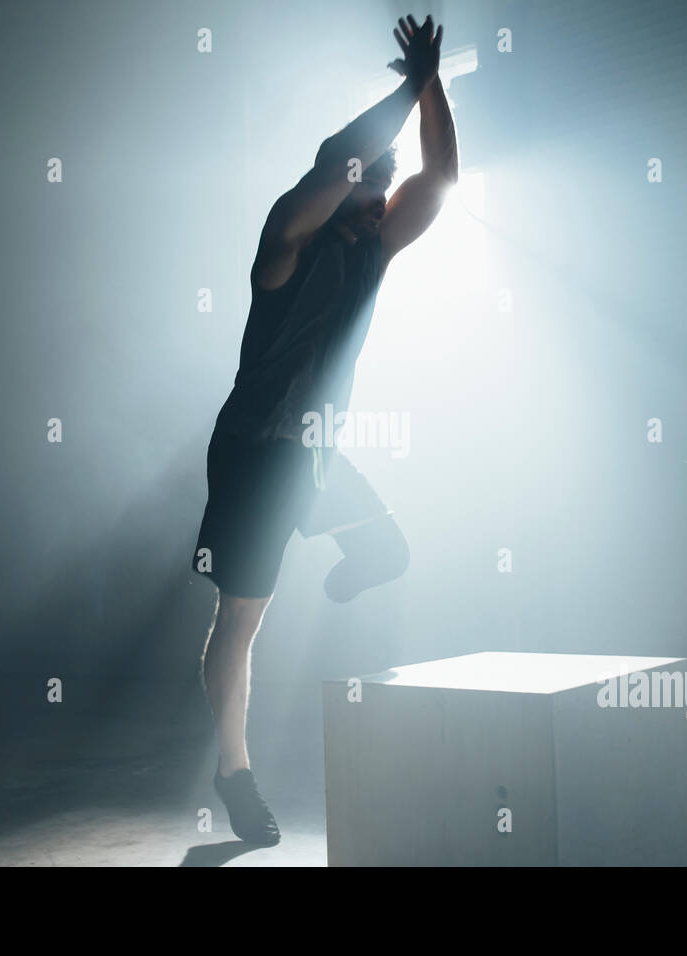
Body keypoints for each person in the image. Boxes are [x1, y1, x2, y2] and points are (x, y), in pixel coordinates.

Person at [191, 15, 458, 845]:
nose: (377, 188)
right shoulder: (286, 238)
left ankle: (334, 557)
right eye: (364, 175)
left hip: (311, 453)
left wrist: (433, 84)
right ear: (336, 178)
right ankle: (234, 775)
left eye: (381, 179)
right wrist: (406, 86)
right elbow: (345, 159)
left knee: (389, 553)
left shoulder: (373, 250)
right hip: (250, 453)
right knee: (242, 625)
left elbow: (441, 176)